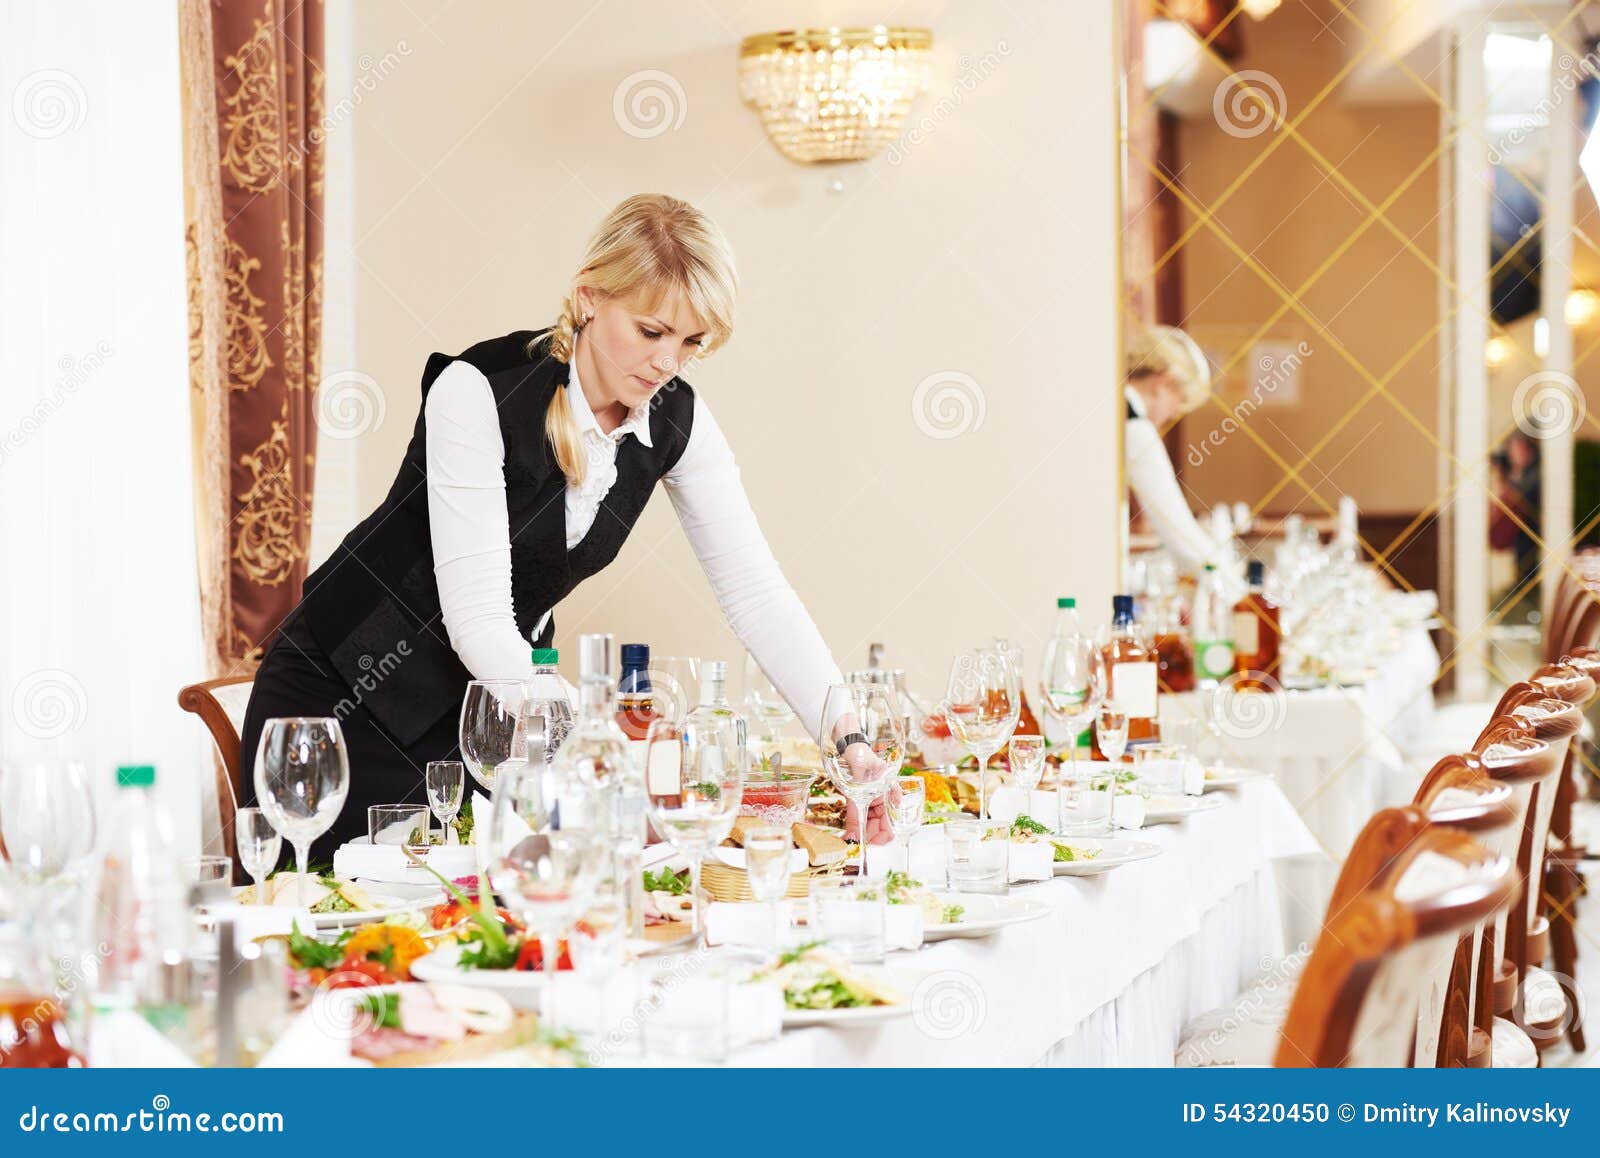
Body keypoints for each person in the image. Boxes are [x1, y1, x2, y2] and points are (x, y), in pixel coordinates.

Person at [239, 195, 891, 856]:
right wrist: (601, 749)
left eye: (691, 342)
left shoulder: (675, 418)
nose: (669, 362)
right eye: (651, 331)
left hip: (487, 715)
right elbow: (481, 621)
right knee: (338, 933)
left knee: (480, 930)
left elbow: (758, 596)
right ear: (587, 298)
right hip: (340, 699)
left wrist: (848, 739)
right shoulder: (478, 389)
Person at [1124, 325, 1218, 573]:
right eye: (1180, 400)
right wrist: (1239, 594)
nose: (1175, 413)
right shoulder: (1135, 428)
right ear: (1161, 383)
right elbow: (1179, 533)